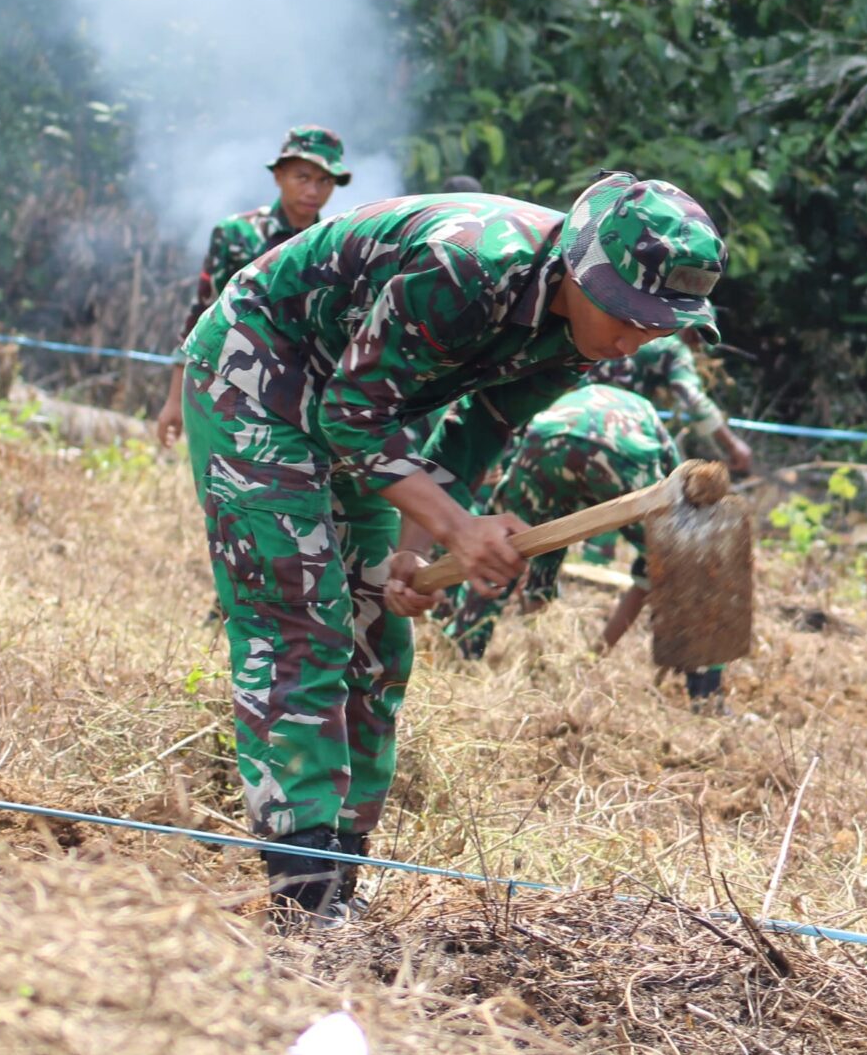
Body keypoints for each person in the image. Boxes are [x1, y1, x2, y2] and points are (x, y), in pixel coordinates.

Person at [179, 171, 722, 921]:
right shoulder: (466, 265)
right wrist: (458, 529)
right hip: (258, 373)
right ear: (581, 268)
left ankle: (341, 879)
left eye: (659, 324)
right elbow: (349, 415)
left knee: (380, 636)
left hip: (368, 416)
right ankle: (303, 897)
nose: (635, 339)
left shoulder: (580, 335)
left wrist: (414, 552)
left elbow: (479, 430)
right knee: (303, 622)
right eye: (628, 314)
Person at [434, 383, 725, 709]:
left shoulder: (579, 397)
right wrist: (595, 657)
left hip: (545, 442)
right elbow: (652, 572)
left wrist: (587, 657)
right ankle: (706, 694)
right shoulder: (661, 445)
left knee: (505, 549)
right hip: (620, 450)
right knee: (689, 565)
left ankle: (461, 660)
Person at [155, 125, 348, 446]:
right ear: (279, 176)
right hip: (235, 394)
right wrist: (175, 400)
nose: (314, 191)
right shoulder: (236, 235)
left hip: (309, 404)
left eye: (325, 180)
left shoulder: (336, 245)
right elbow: (201, 315)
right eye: (303, 177)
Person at [588, 334, 755, 476]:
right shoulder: (674, 347)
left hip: (580, 407)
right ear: (693, 332)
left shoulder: (643, 334)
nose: (696, 348)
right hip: (608, 421)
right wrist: (732, 444)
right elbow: (694, 399)